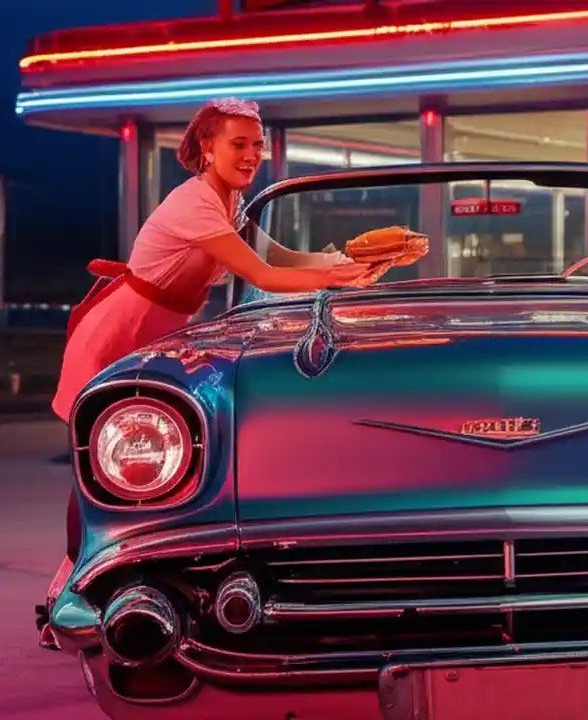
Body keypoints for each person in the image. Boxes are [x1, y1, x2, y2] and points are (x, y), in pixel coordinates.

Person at [42, 98, 376, 620]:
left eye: (256, 144)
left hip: (160, 332)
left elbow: (278, 258)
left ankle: (122, 576)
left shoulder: (227, 204)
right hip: (120, 331)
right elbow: (264, 278)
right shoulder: (194, 202)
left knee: (145, 463)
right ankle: (73, 591)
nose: (250, 155)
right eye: (237, 144)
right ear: (206, 148)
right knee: (99, 464)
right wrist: (332, 278)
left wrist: (346, 262)